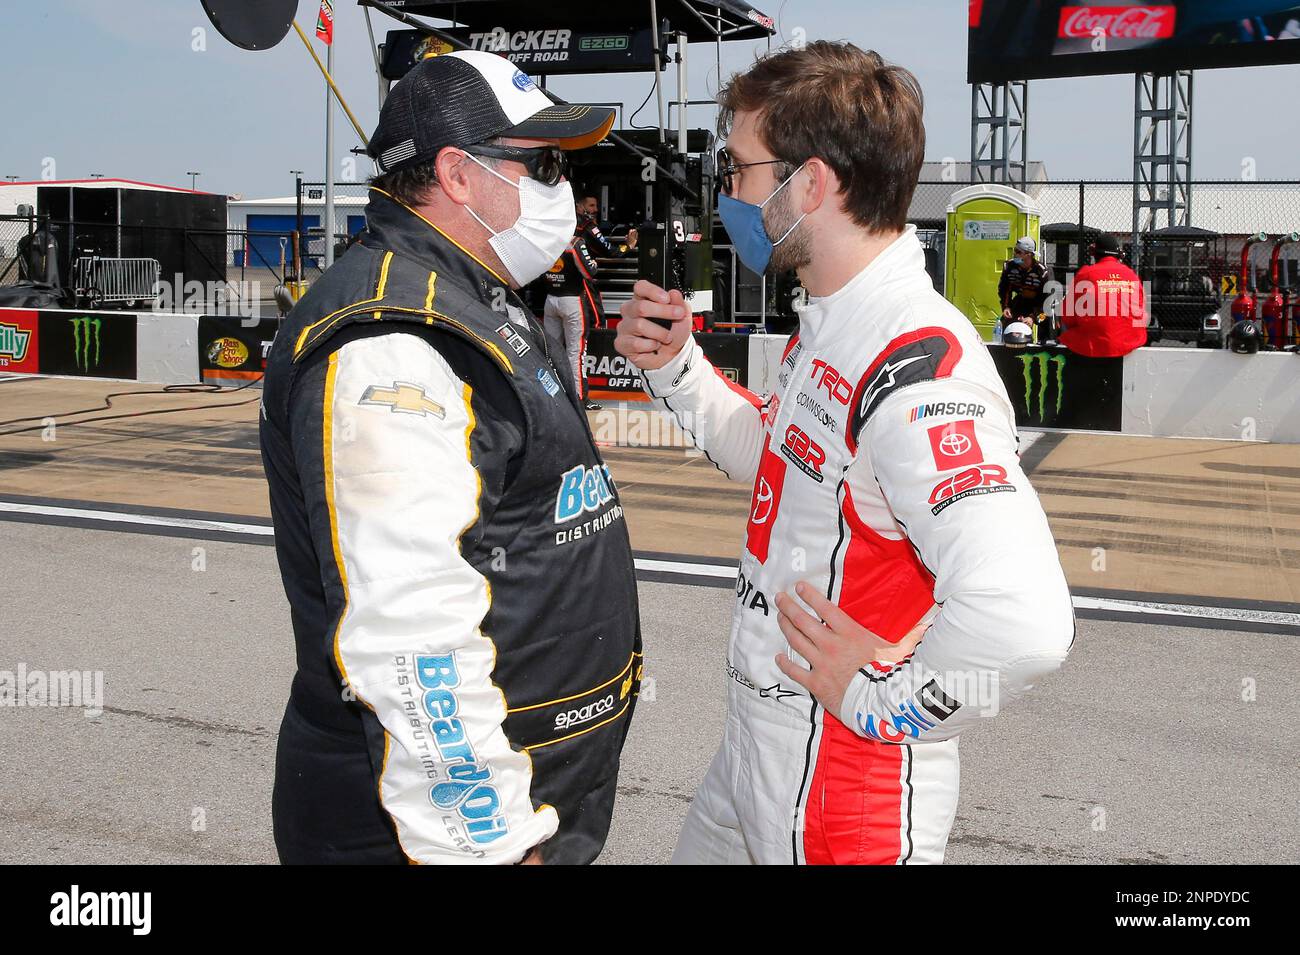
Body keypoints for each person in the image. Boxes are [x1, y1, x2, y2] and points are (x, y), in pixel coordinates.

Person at [615, 40, 1074, 865]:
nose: (732, 192)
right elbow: (780, 464)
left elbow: (1024, 621)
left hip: (845, 788)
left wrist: (882, 699)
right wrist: (679, 369)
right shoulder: (836, 319)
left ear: (812, 183)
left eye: (741, 168)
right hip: (760, 747)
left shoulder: (915, 360)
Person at [259, 49, 642, 865]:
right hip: (429, 835)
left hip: (532, 786)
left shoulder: (472, 294)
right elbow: (409, 632)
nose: (561, 187)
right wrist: (487, 843)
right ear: (457, 174)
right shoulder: (391, 338)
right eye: (541, 163)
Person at [542, 192, 609, 409]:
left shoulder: (545, 240)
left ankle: (549, 397)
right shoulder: (575, 242)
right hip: (572, 301)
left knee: (550, 350)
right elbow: (590, 272)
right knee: (575, 352)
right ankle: (580, 399)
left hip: (550, 299)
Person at [1058, 233, 1148, 357]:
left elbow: (1067, 315)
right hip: (1130, 342)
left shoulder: (1086, 274)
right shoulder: (1131, 275)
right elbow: (1142, 313)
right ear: (1118, 255)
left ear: (1094, 254)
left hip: (1093, 344)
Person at [998, 236, 1054, 342]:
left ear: (1029, 254)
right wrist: (1006, 307)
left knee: (1046, 319)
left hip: (1042, 306)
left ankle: (1046, 345)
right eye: (1015, 250)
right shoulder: (1009, 266)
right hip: (1021, 301)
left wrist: (1033, 317)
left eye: (1018, 252)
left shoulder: (1043, 272)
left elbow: (1049, 300)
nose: (1014, 254)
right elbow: (1004, 289)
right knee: (1005, 321)